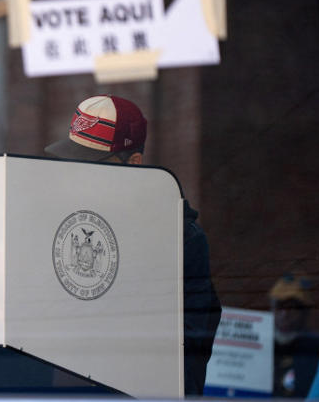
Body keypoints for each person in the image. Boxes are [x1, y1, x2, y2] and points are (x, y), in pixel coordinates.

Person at [45, 94, 222, 396]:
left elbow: (186, 353)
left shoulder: (176, 236)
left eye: (90, 164)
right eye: (71, 163)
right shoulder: (61, 223)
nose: (77, 174)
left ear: (134, 163)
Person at [268, 273, 319, 397]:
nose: (284, 314)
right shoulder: (261, 347)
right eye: (279, 307)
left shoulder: (316, 349)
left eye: (291, 307)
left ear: (305, 312)